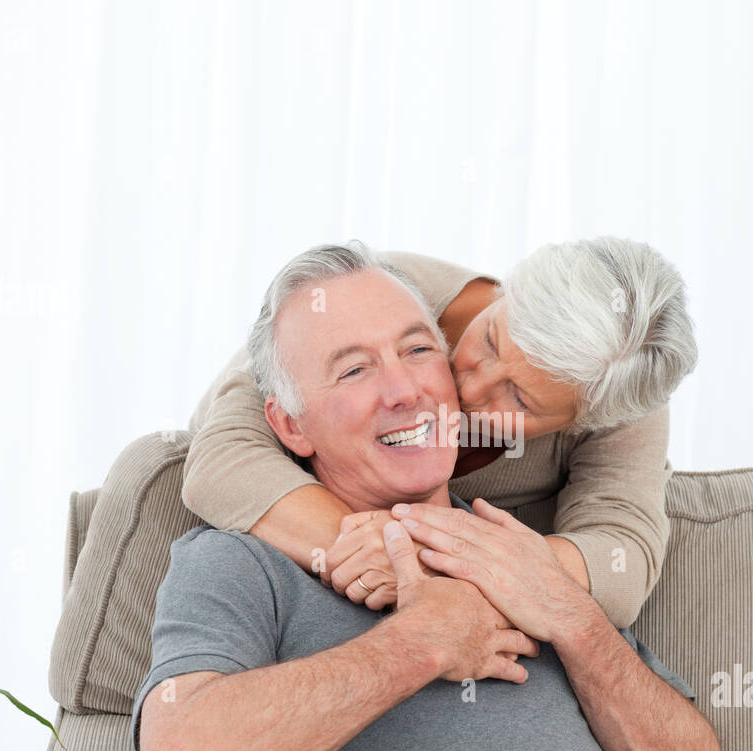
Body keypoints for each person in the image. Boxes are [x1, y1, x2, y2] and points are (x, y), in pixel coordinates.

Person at [133, 244, 725, 751]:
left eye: (419, 351)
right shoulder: (241, 562)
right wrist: (426, 638)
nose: (407, 390)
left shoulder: (524, 558)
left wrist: (567, 614)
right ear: (289, 425)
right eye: (354, 370)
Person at [181, 238, 697, 629]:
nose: (469, 386)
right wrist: (398, 556)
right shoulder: (379, 295)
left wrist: (437, 570)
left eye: (519, 400)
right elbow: (220, 459)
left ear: (583, 418)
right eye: (491, 341)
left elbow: (619, 563)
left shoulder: (618, 397)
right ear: (505, 293)